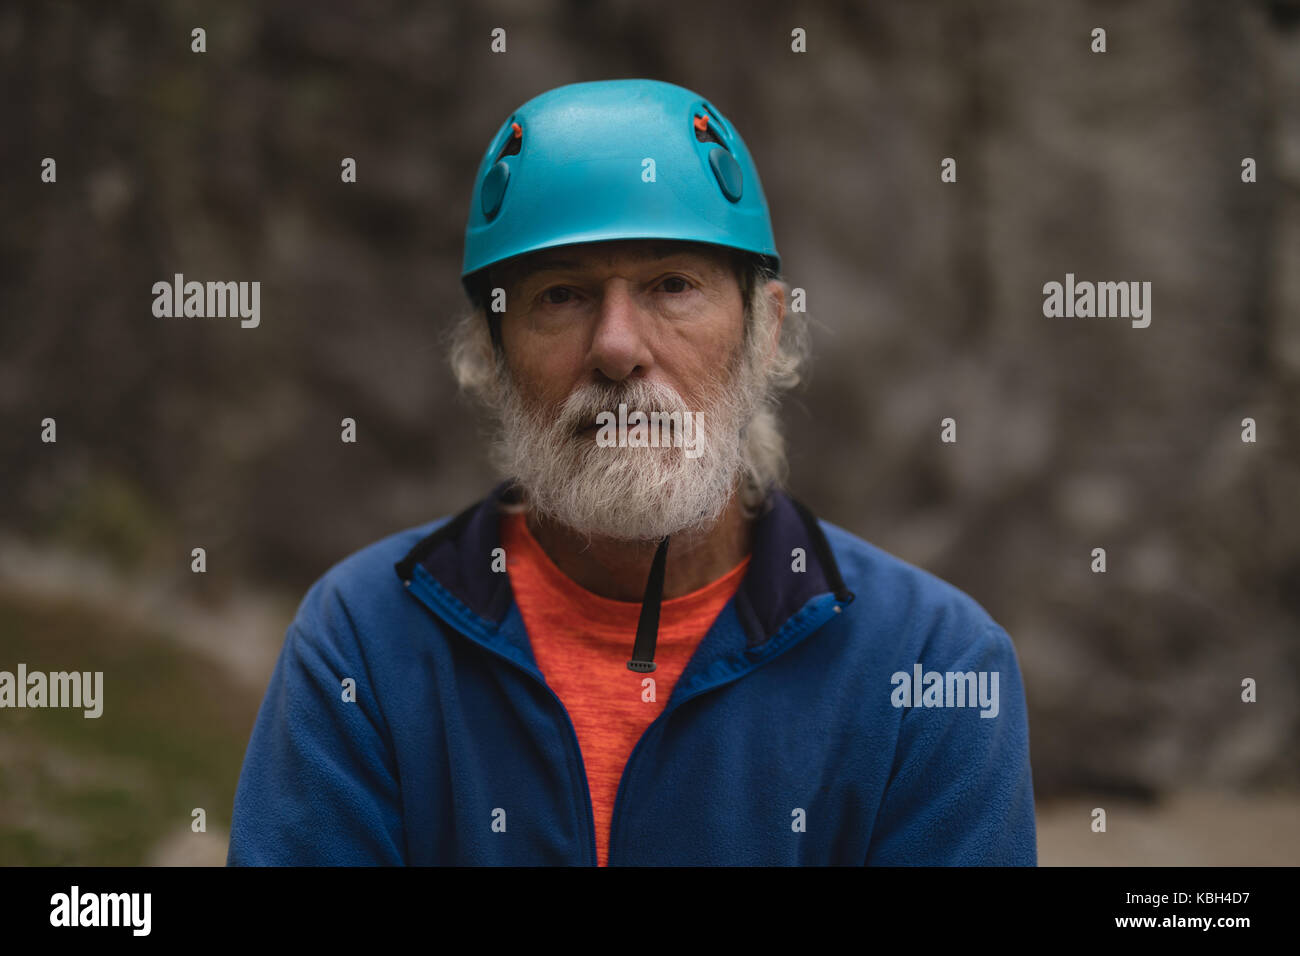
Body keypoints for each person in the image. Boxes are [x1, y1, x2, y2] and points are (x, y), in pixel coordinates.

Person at [227, 78, 1036, 866]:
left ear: (766, 332)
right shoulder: (363, 643)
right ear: (491, 356)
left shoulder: (933, 666)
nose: (617, 347)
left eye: (673, 285)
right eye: (561, 296)